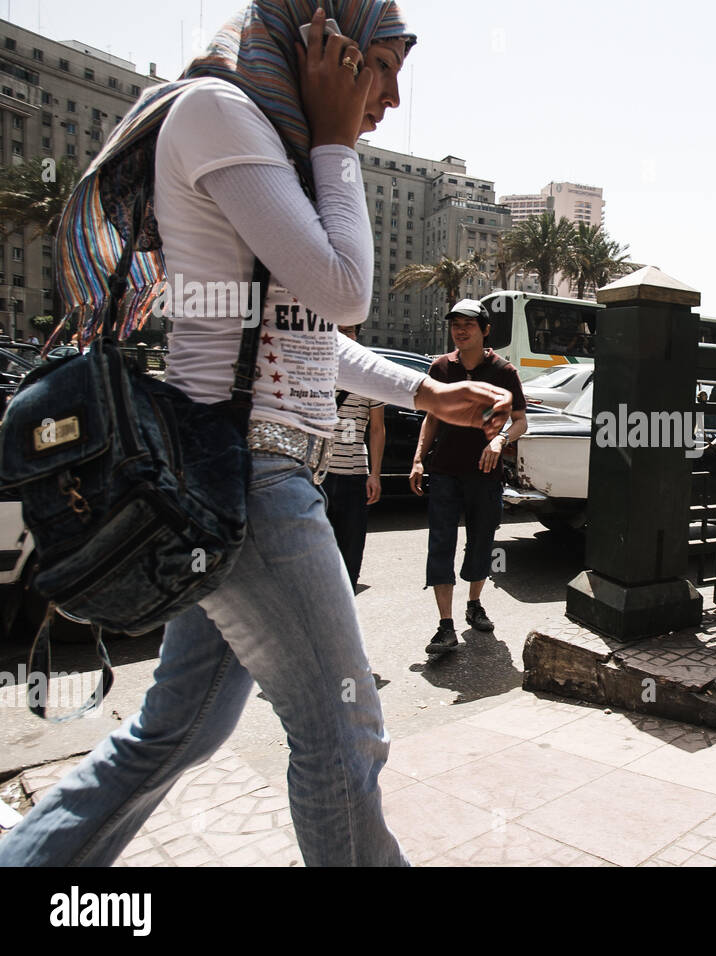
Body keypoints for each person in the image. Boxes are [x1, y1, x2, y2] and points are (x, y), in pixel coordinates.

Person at [0, 2, 512, 868]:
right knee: (345, 730)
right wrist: (338, 140)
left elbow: (311, 333)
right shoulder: (217, 115)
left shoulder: (274, 145)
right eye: (379, 65)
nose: (388, 94)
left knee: (176, 731)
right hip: (247, 475)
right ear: (322, 39)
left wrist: (424, 390)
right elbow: (346, 287)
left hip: (251, 476)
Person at [410, 299, 527, 662]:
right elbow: (431, 417)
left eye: (469, 325)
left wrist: (500, 439)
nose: (461, 330)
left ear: (485, 330)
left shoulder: (504, 371)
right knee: (440, 542)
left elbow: (521, 420)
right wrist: (417, 459)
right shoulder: (441, 367)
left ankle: (474, 604)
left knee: (481, 541)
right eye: (455, 324)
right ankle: (445, 625)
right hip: (444, 469)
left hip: (485, 473)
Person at [323, 322, 386, 592]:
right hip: (319, 474)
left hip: (355, 474)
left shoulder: (368, 373)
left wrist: (375, 474)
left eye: (349, 331)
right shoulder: (317, 368)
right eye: (338, 330)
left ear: (356, 335)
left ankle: (345, 598)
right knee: (318, 549)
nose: (344, 336)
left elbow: (377, 428)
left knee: (351, 550)